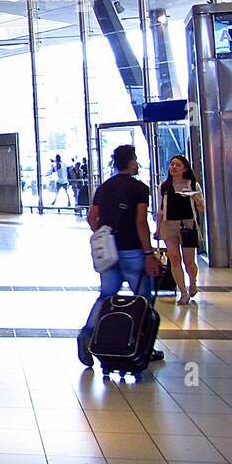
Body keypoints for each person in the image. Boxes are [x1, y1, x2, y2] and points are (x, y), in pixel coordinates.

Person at [77, 144, 165, 367]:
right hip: (133, 250)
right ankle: (141, 345)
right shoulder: (139, 189)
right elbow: (140, 222)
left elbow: (91, 218)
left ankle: (87, 333)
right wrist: (149, 253)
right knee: (142, 298)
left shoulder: (104, 187)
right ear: (131, 162)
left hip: (109, 251)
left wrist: (102, 235)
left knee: (106, 295)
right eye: (135, 160)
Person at [158, 154, 205, 306]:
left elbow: (201, 208)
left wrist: (195, 198)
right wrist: (158, 228)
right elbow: (160, 209)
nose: (174, 167)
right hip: (169, 224)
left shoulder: (193, 185)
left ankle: (193, 282)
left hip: (188, 224)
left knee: (189, 261)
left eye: (178, 165)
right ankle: (183, 291)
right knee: (174, 258)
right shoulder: (164, 186)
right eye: (172, 164)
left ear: (185, 168)